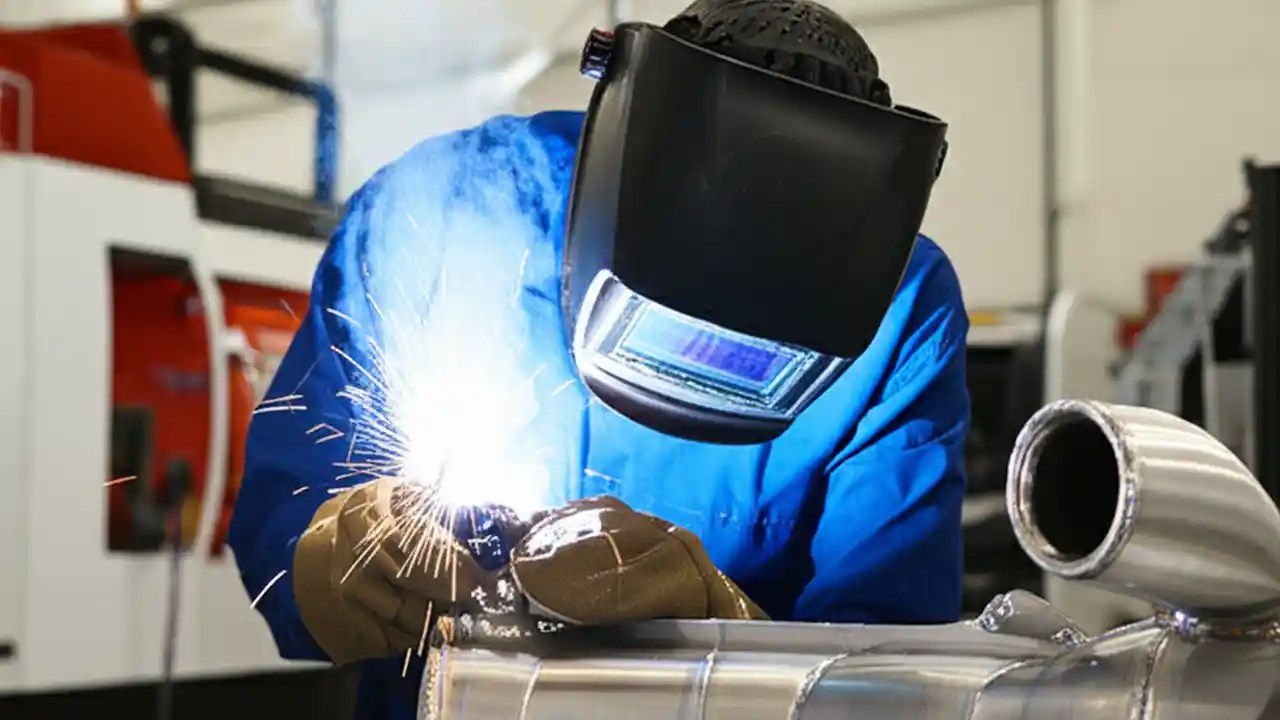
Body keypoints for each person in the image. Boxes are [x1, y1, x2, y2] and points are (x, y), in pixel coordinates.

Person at [228, 1, 970, 718]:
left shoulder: (900, 306)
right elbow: (280, 517)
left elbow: (888, 668)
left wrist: (725, 628)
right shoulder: (441, 212)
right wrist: (334, 564)